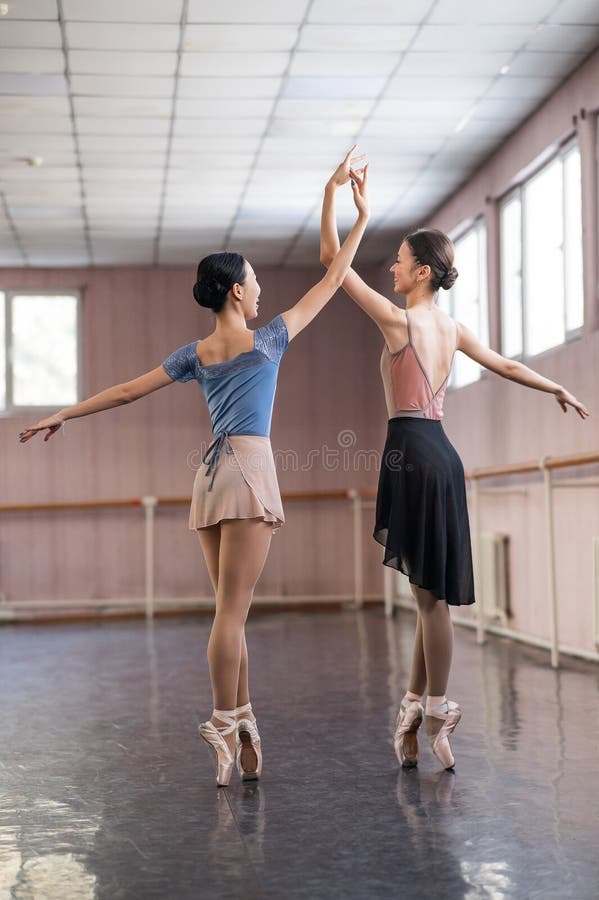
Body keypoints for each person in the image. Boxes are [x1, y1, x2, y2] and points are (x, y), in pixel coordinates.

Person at [18, 148, 370, 787]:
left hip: (210, 478)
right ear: (237, 290)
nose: (263, 288)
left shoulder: (196, 352)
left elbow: (127, 390)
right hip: (248, 472)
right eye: (256, 279)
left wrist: (63, 414)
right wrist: (349, 210)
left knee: (227, 611)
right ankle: (219, 720)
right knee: (233, 613)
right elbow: (335, 276)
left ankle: (243, 719)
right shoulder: (270, 340)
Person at [320, 152, 590, 771]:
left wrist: (338, 198)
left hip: (411, 451)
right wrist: (555, 387)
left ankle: (438, 709)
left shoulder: (397, 321)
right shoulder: (455, 327)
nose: (390, 267)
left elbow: (329, 262)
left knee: (429, 601)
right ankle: (414, 708)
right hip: (443, 452)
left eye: (397, 261)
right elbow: (508, 366)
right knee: (427, 594)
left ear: (418, 273)